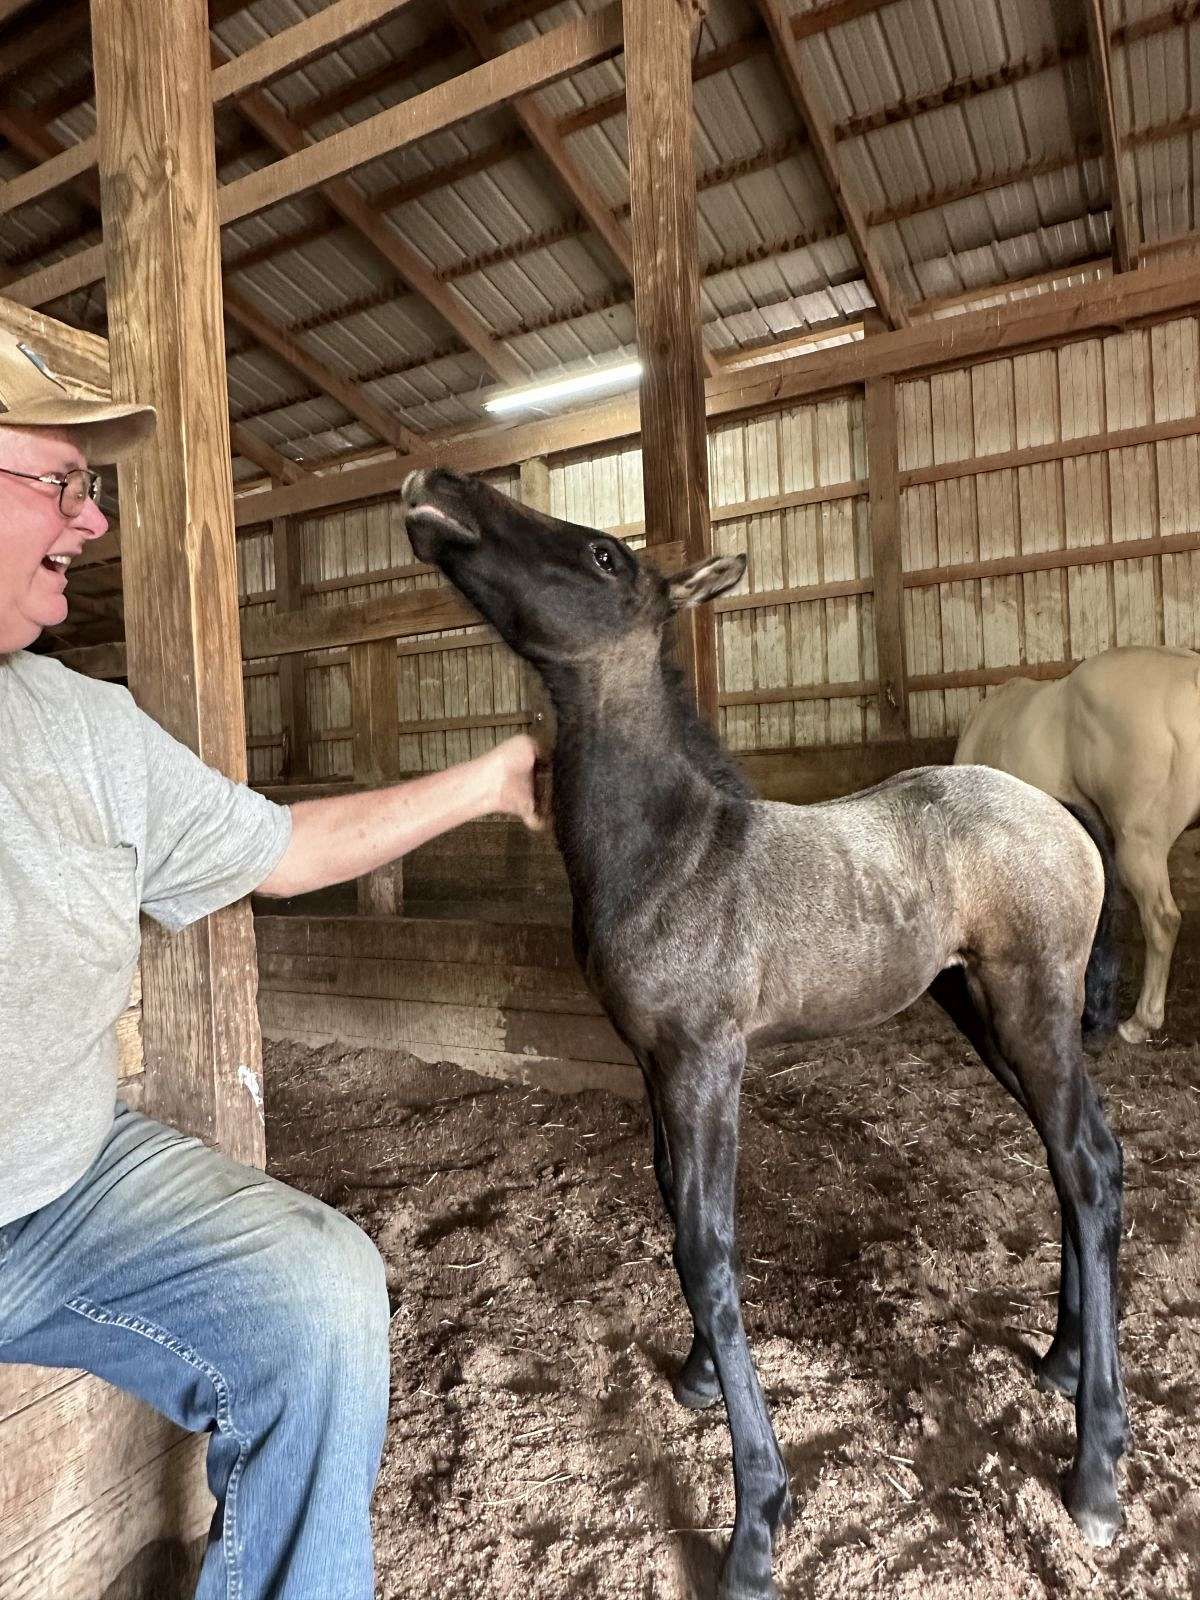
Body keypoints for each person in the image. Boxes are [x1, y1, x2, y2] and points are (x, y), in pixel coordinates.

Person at [0, 327, 540, 1599]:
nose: (91, 523)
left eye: (94, 488)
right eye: (60, 482)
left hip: (63, 1184)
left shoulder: (84, 730)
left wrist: (492, 778)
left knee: (320, 1287)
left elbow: (284, 851)